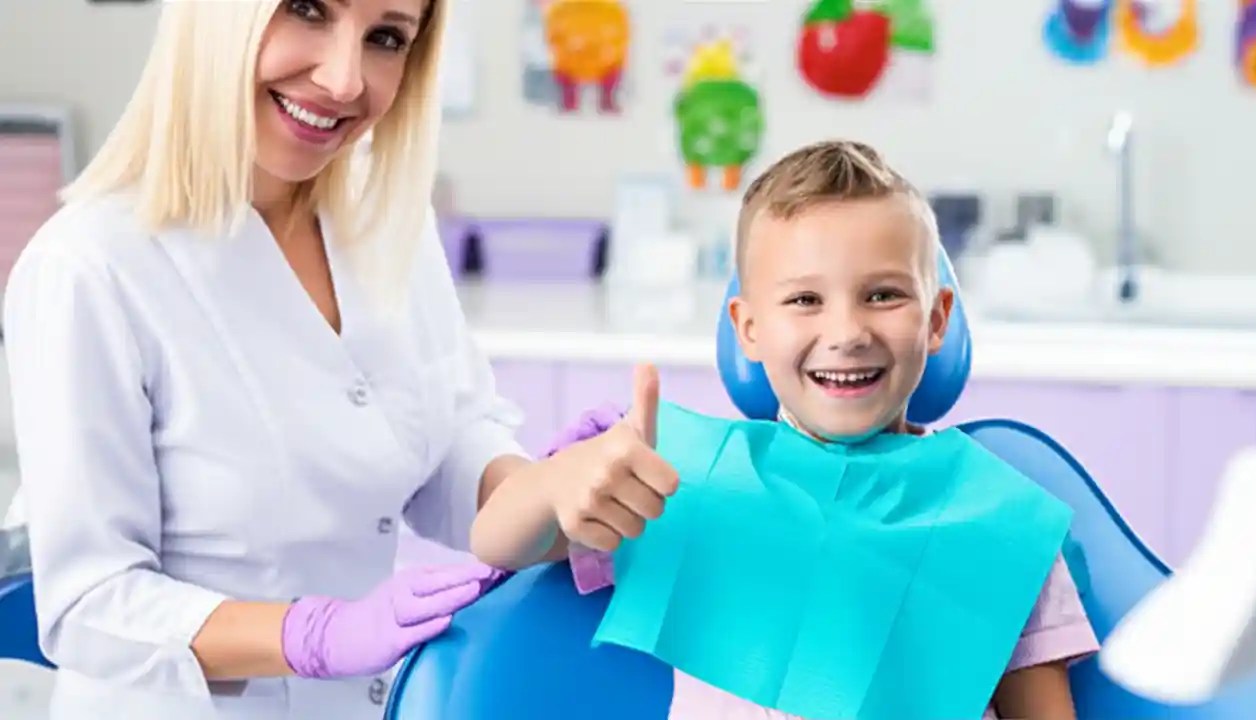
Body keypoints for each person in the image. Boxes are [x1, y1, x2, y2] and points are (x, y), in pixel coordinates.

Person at [2, 1, 543, 718]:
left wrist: (542, 491)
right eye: (308, 9)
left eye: (386, 38)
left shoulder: (389, 221)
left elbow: (445, 438)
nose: (346, 79)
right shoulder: (89, 266)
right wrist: (307, 635)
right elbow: (88, 604)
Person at [471, 140, 1101, 719]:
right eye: (804, 300)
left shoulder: (1001, 521)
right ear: (748, 328)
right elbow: (497, 540)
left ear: (937, 320)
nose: (848, 332)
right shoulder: (683, 483)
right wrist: (560, 481)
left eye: (883, 295)